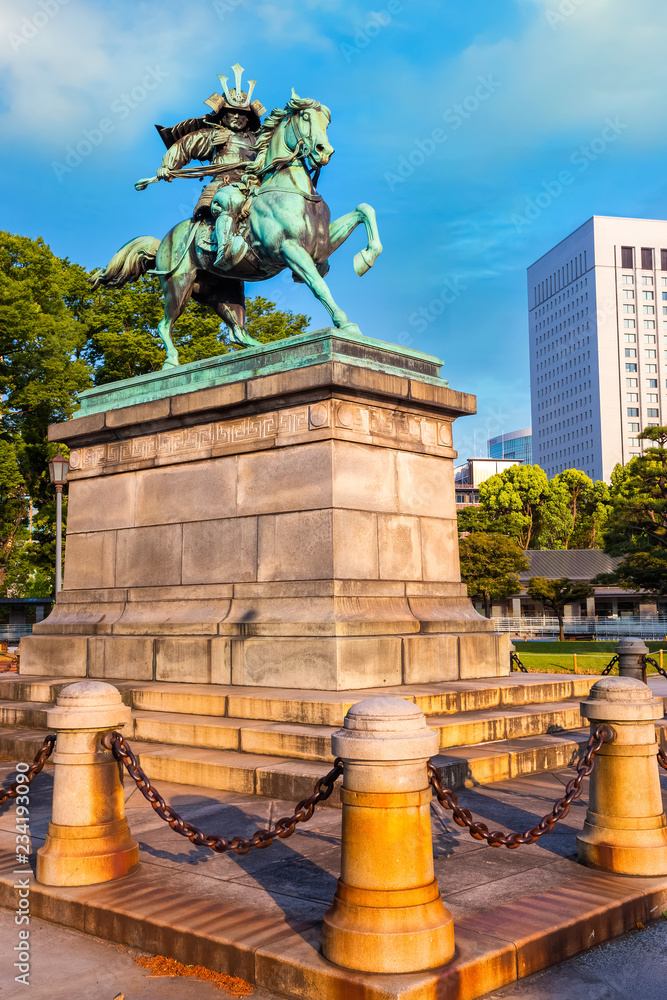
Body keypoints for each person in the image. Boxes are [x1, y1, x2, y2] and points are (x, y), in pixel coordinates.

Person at [154, 64, 265, 267]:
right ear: (222, 115)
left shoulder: (258, 140)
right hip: (224, 185)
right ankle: (224, 252)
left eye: (242, 114)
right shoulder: (213, 136)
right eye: (232, 113)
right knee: (229, 202)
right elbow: (184, 147)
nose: (237, 118)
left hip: (253, 186)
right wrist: (167, 166)